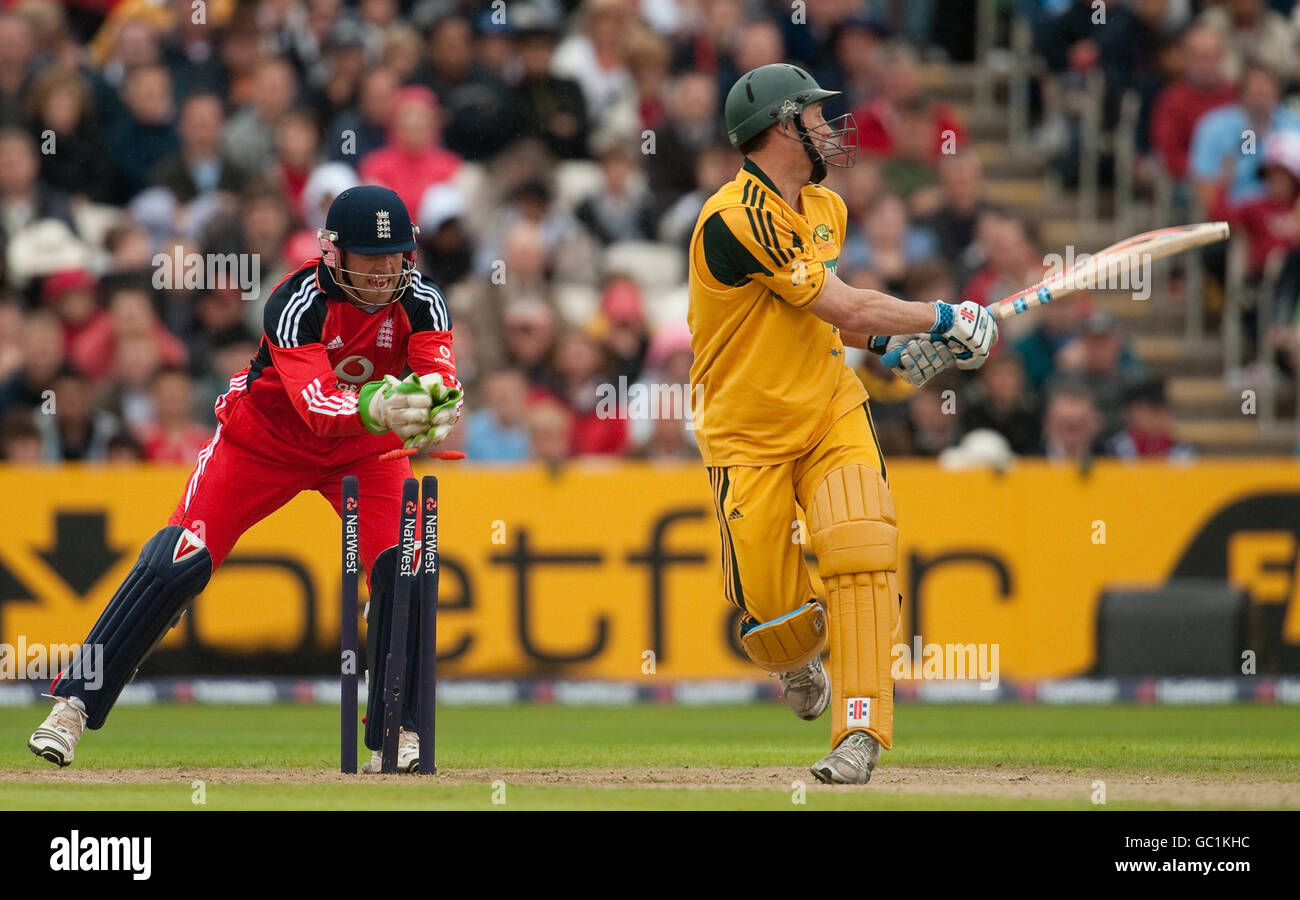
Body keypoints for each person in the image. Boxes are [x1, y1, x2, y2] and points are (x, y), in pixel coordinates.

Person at [28, 186, 464, 774]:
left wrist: (439, 406)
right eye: (370, 257)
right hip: (264, 441)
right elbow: (316, 406)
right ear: (335, 253)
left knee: (405, 569)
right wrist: (381, 406)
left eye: (394, 256)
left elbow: (440, 378)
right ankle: (73, 706)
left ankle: (398, 729)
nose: (385, 272)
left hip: (365, 451)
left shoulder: (424, 301)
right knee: (176, 561)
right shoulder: (297, 301)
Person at [688, 63, 997, 785]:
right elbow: (846, 305)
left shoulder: (826, 207)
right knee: (772, 618)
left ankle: (860, 732)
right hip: (746, 433)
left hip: (830, 411)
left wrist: (895, 343)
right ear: (779, 127)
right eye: (816, 116)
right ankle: (795, 661)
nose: (829, 128)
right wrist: (942, 317)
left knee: (861, 549)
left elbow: (834, 318)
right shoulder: (735, 218)